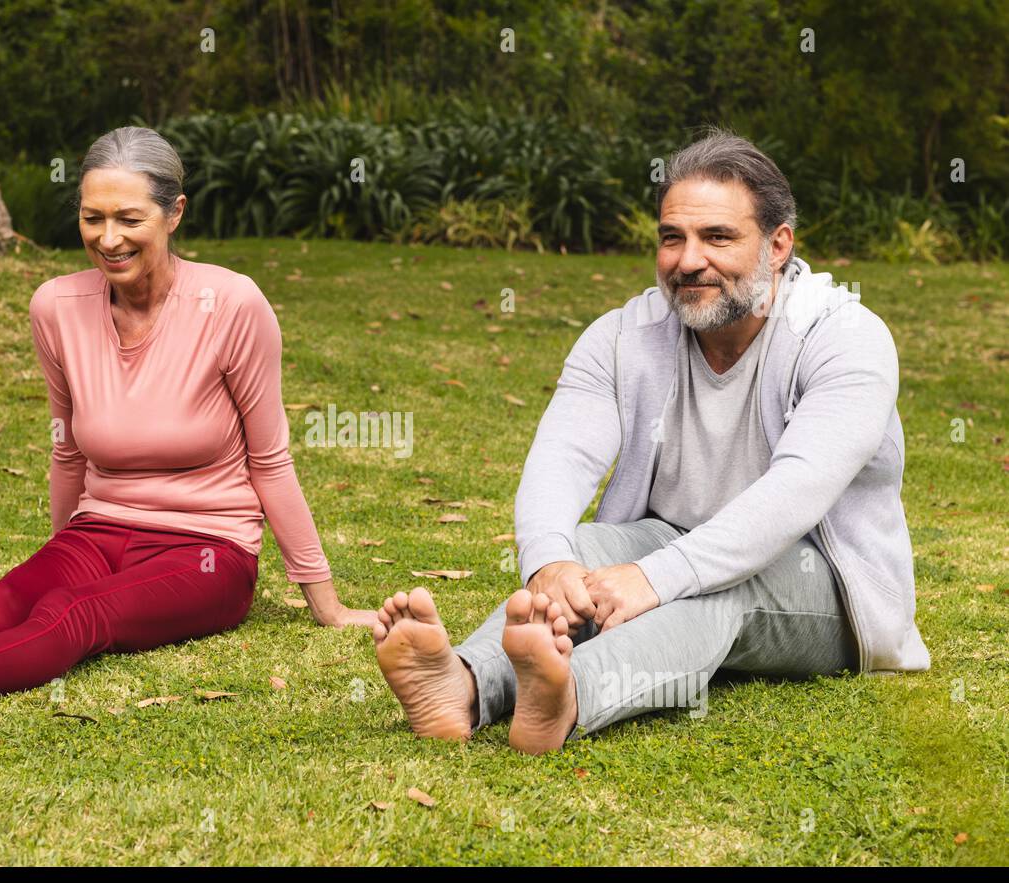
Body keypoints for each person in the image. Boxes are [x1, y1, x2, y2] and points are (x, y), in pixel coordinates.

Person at [0, 126, 376, 723]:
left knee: (77, 610)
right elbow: (68, 453)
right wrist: (59, 552)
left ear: (175, 213)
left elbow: (269, 460)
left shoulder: (234, 305)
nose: (109, 239)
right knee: (8, 595)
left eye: (129, 219)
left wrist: (327, 605)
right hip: (99, 528)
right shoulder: (57, 307)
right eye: (93, 218)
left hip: (207, 550)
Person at [372, 128, 929, 753]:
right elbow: (563, 456)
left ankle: (567, 698)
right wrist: (551, 563)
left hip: (826, 582)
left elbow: (795, 492)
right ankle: (463, 687)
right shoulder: (622, 335)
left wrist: (657, 577)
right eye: (672, 237)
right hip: (671, 542)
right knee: (578, 549)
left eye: (717, 237)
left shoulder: (844, 337)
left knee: (719, 591)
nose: (688, 260)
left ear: (778, 245)